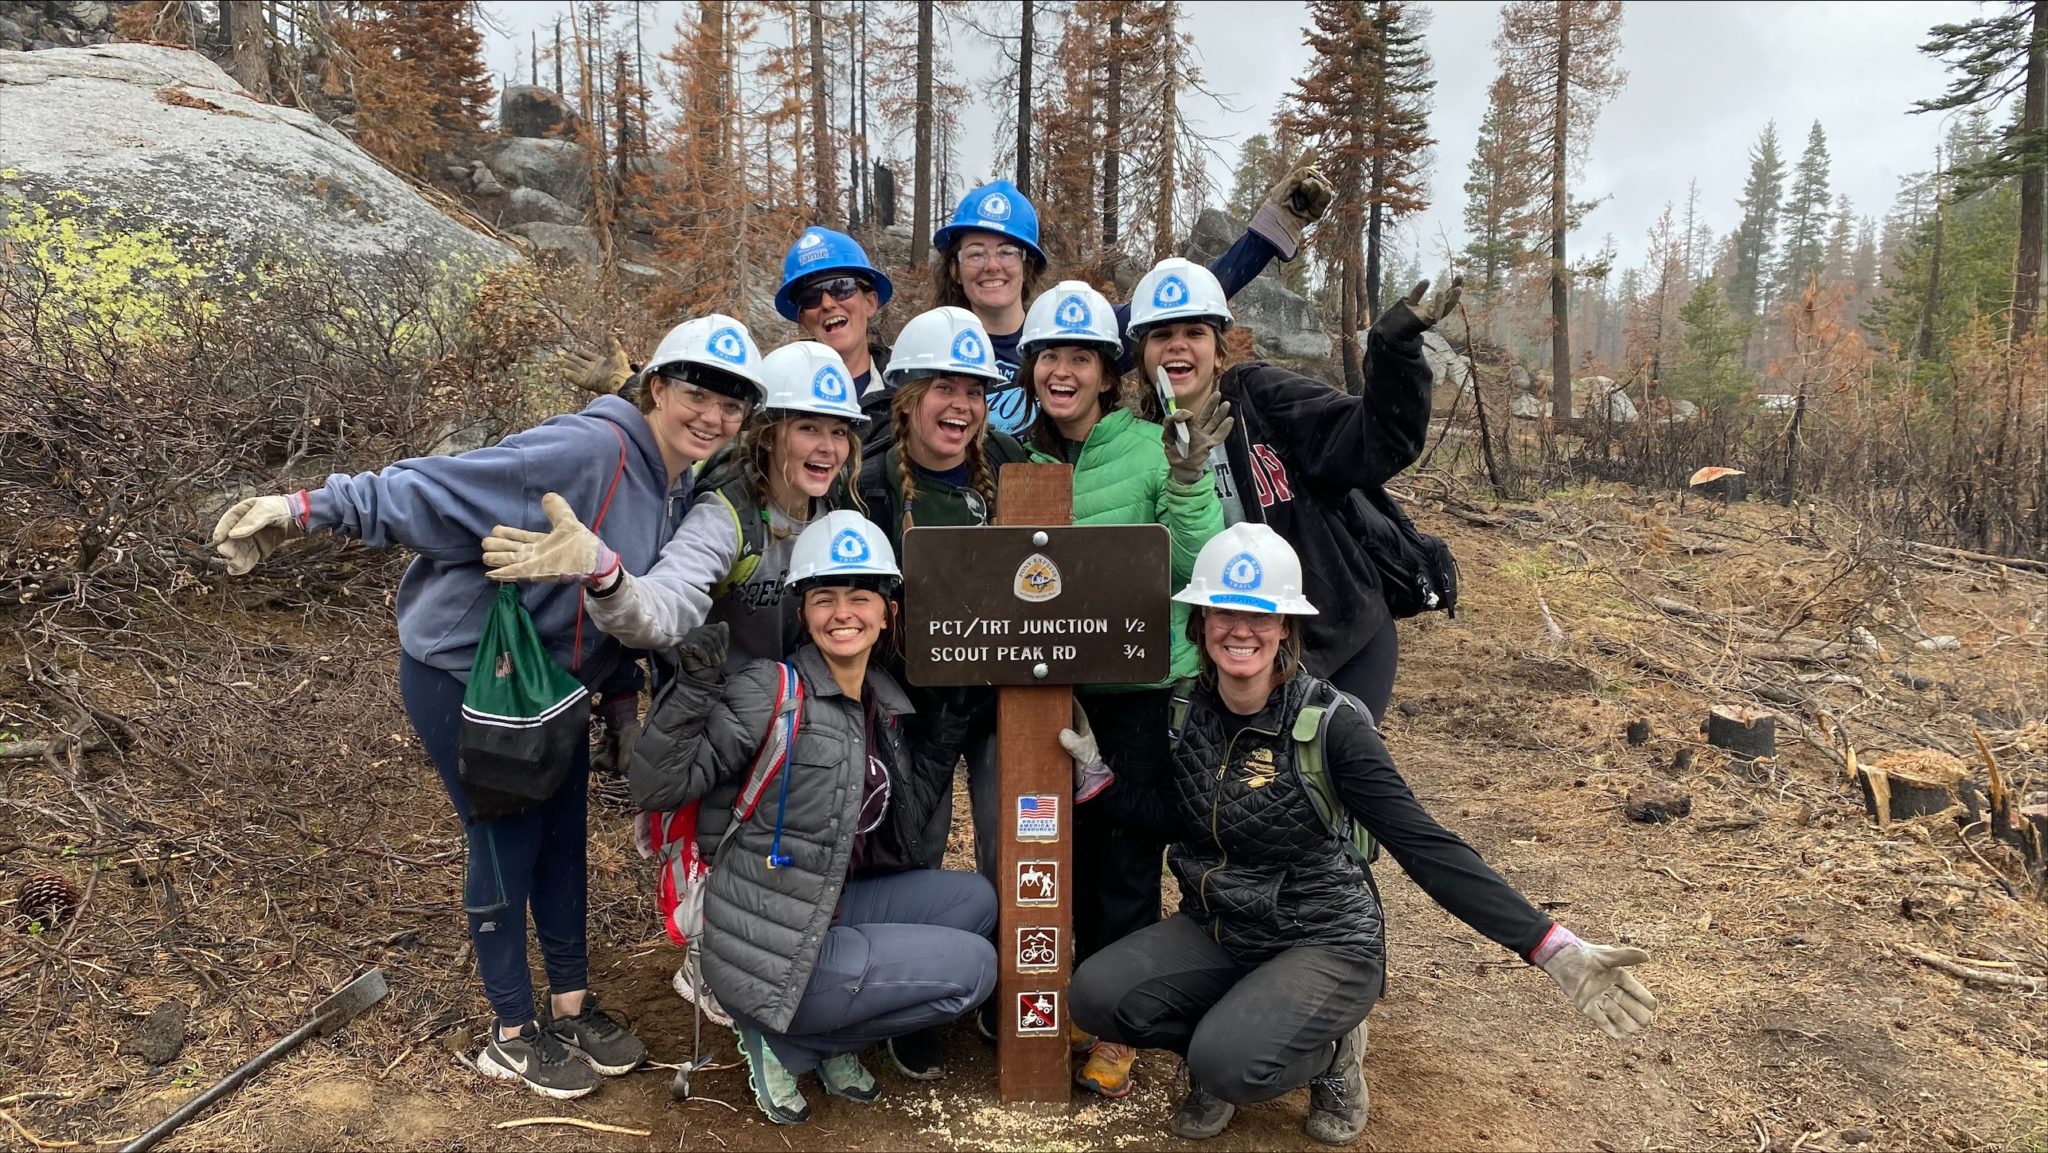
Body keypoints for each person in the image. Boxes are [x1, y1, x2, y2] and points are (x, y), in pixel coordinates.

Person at [209, 315, 770, 1099]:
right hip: (468, 668)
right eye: (697, 392)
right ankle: (511, 1032)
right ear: (656, 388)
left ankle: (571, 1004)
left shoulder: (675, 479)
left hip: (550, 681)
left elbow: (613, 594)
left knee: (562, 834)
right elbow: (444, 486)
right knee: (508, 837)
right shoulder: (590, 448)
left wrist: (615, 700)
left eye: (732, 404)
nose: (712, 415)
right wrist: (307, 507)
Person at [1068, 524, 1660, 1144]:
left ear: (1287, 628)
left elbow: (1424, 844)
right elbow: (1176, 813)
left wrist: (1548, 944)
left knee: (1226, 1062)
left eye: (1262, 615)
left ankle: (1330, 1054)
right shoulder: (1186, 713)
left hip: (1323, 938)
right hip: (1222, 927)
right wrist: (1099, 780)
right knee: (1097, 997)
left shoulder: (1331, 726)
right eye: (1224, 611)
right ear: (1200, 622)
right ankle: (1241, 1029)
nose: (1241, 630)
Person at [628, 512, 997, 1126]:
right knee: (974, 970)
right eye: (824, 598)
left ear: (888, 613)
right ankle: (790, 1038)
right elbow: (658, 782)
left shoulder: (881, 699)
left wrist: (953, 721)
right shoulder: (771, 692)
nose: (842, 613)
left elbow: (902, 811)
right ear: (803, 613)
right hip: (769, 944)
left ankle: (822, 1035)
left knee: (976, 902)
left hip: (827, 905)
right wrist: (691, 688)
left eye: (861, 597)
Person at [1014, 280, 1230, 1098]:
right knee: (1055, 849)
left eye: (1082, 358)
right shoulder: (1022, 458)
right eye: (1049, 357)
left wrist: (1186, 479)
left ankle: (1119, 1022)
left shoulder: (1150, 446)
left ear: (1109, 372)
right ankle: (1075, 991)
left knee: (1127, 860)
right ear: (1031, 368)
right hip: (1047, 687)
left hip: (1142, 688)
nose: (1062, 372)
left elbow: (1190, 568)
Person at [1126, 256, 1459, 722]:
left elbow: (1373, 442)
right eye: (1161, 335)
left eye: (1195, 333)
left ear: (1218, 351)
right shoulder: (1138, 441)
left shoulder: (1262, 398)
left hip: (1339, 635)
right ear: (1142, 355)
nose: (1177, 345)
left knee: (1329, 773)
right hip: (1237, 646)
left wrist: (1395, 350)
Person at [482, 340, 869, 666]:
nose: (828, 447)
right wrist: (606, 575)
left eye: (839, 432)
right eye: (808, 428)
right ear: (768, 436)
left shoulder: (837, 515)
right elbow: (665, 604)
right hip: (717, 719)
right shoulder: (726, 518)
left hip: (801, 711)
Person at [929, 165, 1335, 437]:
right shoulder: (929, 350)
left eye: (1007, 252)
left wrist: (1272, 228)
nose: (991, 266)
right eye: (975, 252)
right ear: (954, 267)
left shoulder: (1077, 328)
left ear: (1029, 264)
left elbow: (1189, 296)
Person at [774, 228, 901, 455]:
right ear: (802, 319)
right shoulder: (778, 396)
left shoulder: (908, 389)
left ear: (870, 302)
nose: (827, 303)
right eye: (811, 297)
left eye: (841, 287)